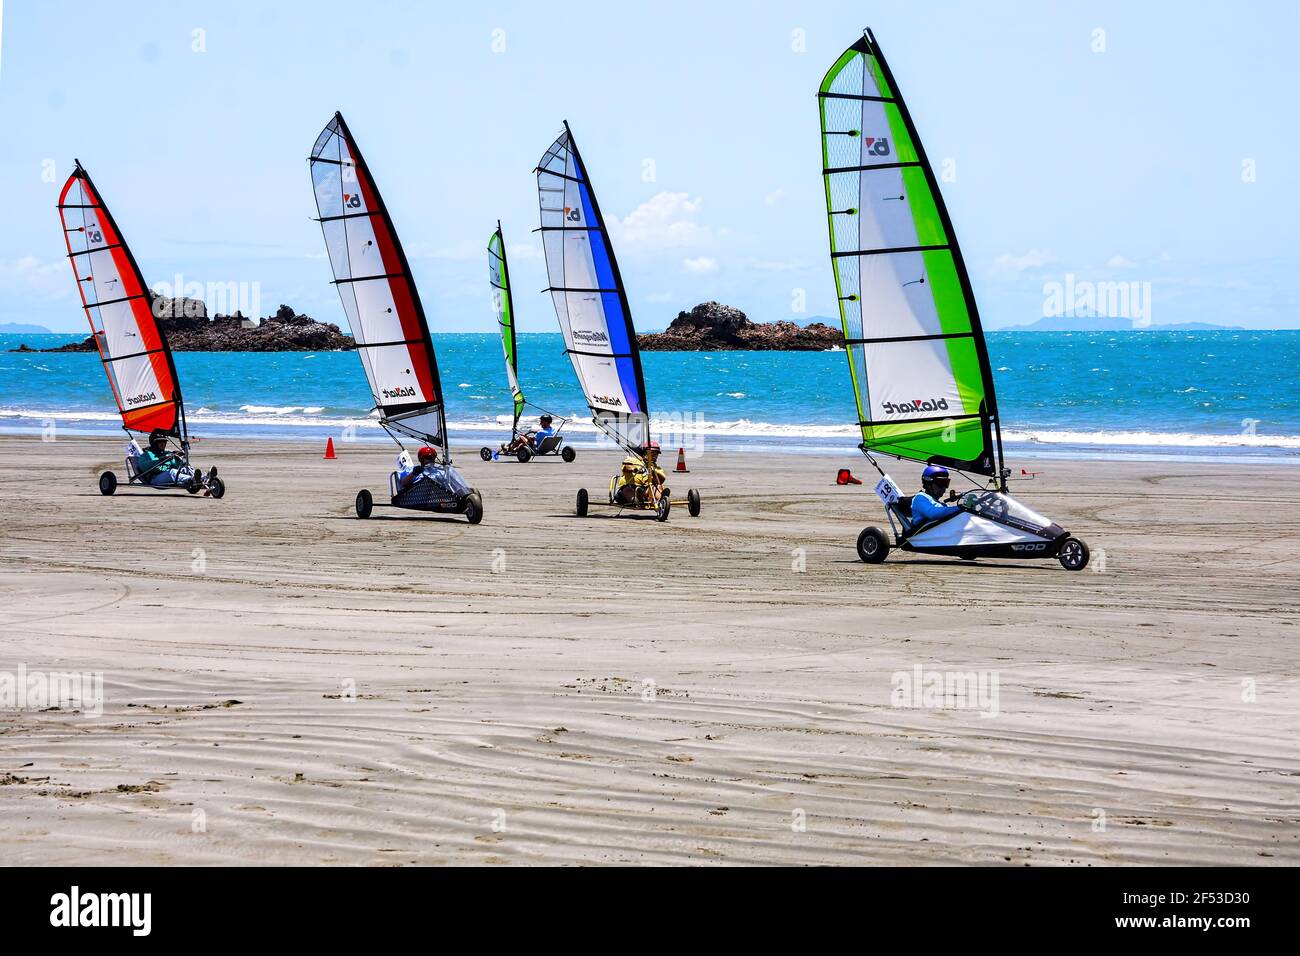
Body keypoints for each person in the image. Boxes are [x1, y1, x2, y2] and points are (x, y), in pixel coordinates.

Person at [132, 429, 207, 490]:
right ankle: (191, 480)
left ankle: (203, 479)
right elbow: (144, 466)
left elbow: (177, 465)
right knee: (172, 472)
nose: (162, 444)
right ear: (154, 443)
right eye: (160, 442)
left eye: (164, 442)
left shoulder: (167, 453)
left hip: (168, 477)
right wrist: (161, 460)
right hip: (155, 478)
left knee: (185, 468)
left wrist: (180, 457)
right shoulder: (146, 455)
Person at [613, 440, 668, 506]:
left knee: (658, 487)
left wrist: (652, 471)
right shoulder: (633, 460)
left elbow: (661, 479)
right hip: (629, 488)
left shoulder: (656, 467)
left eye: (656, 454)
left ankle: (660, 501)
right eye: (652, 453)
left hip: (645, 489)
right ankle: (635, 501)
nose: (654, 456)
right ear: (644, 453)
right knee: (629, 489)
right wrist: (634, 469)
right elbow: (626, 467)